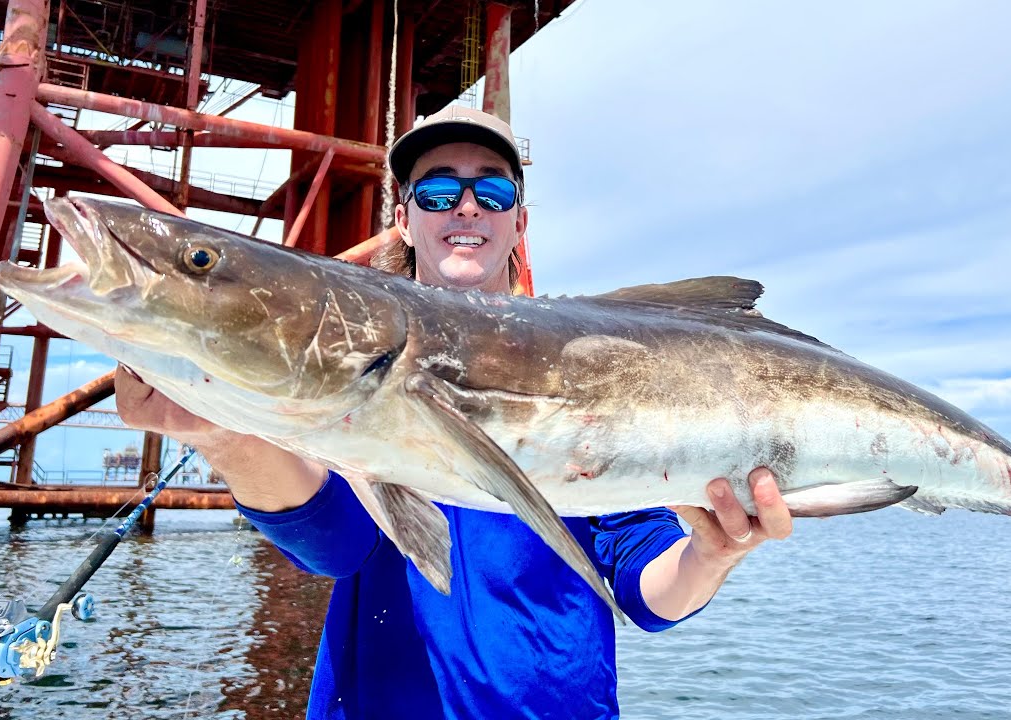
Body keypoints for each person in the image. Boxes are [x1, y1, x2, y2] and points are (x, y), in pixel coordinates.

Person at [114, 106, 793, 719]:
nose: (465, 206)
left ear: (518, 223)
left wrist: (710, 555)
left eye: (492, 190)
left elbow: (648, 591)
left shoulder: (594, 373)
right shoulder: (350, 358)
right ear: (405, 218)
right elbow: (335, 543)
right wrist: (223, 436)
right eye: (438, 191)